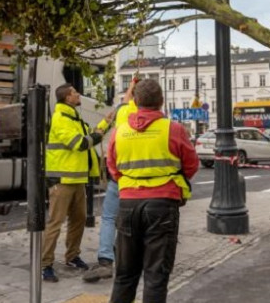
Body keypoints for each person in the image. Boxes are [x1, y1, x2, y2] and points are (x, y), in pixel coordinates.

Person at [107, 79, 198, 303]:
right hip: (162, 204)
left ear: (135, 102)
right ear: (161, 101)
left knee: (125, 275)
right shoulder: (173, 129)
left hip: (128, 205)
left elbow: (113, 168)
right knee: (155, 276)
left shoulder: (120, 132)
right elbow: (191, 164)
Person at [42, 83, 104, 283]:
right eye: (75, 92)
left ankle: (72, 256)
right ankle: (45, 265)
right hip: (62, 180)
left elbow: (91, 134)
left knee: (79, 219)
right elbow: (80, 143)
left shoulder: (74, 118)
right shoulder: (61, 119)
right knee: (55, 223)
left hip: (77, 178)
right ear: (67, 98)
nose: (79, 95)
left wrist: (106, 124)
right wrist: (97, 135)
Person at [84, 78, 140, 284]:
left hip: (119, 176)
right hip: (143, 180)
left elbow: (122, 104)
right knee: (135, 220)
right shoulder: (152, 116)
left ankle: (106, 261)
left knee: (109, 218)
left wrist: (132, 85)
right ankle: (133, 261)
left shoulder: (122, 111)